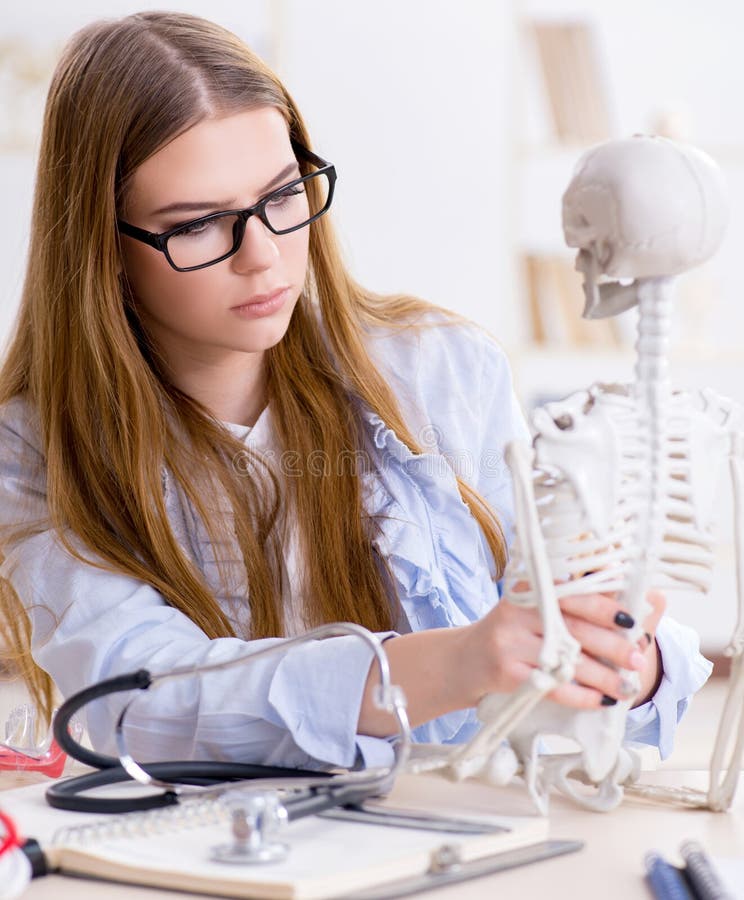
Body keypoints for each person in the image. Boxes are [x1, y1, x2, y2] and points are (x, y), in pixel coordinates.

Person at [0, 11, 710, 772]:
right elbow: (134, 702)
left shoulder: (442, 369)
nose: (264, 256)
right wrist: (458, 663)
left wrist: (626, 664)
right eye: (201, 224)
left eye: (282, 196)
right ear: (103, 248)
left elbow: (591, 640)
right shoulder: (32, 449)